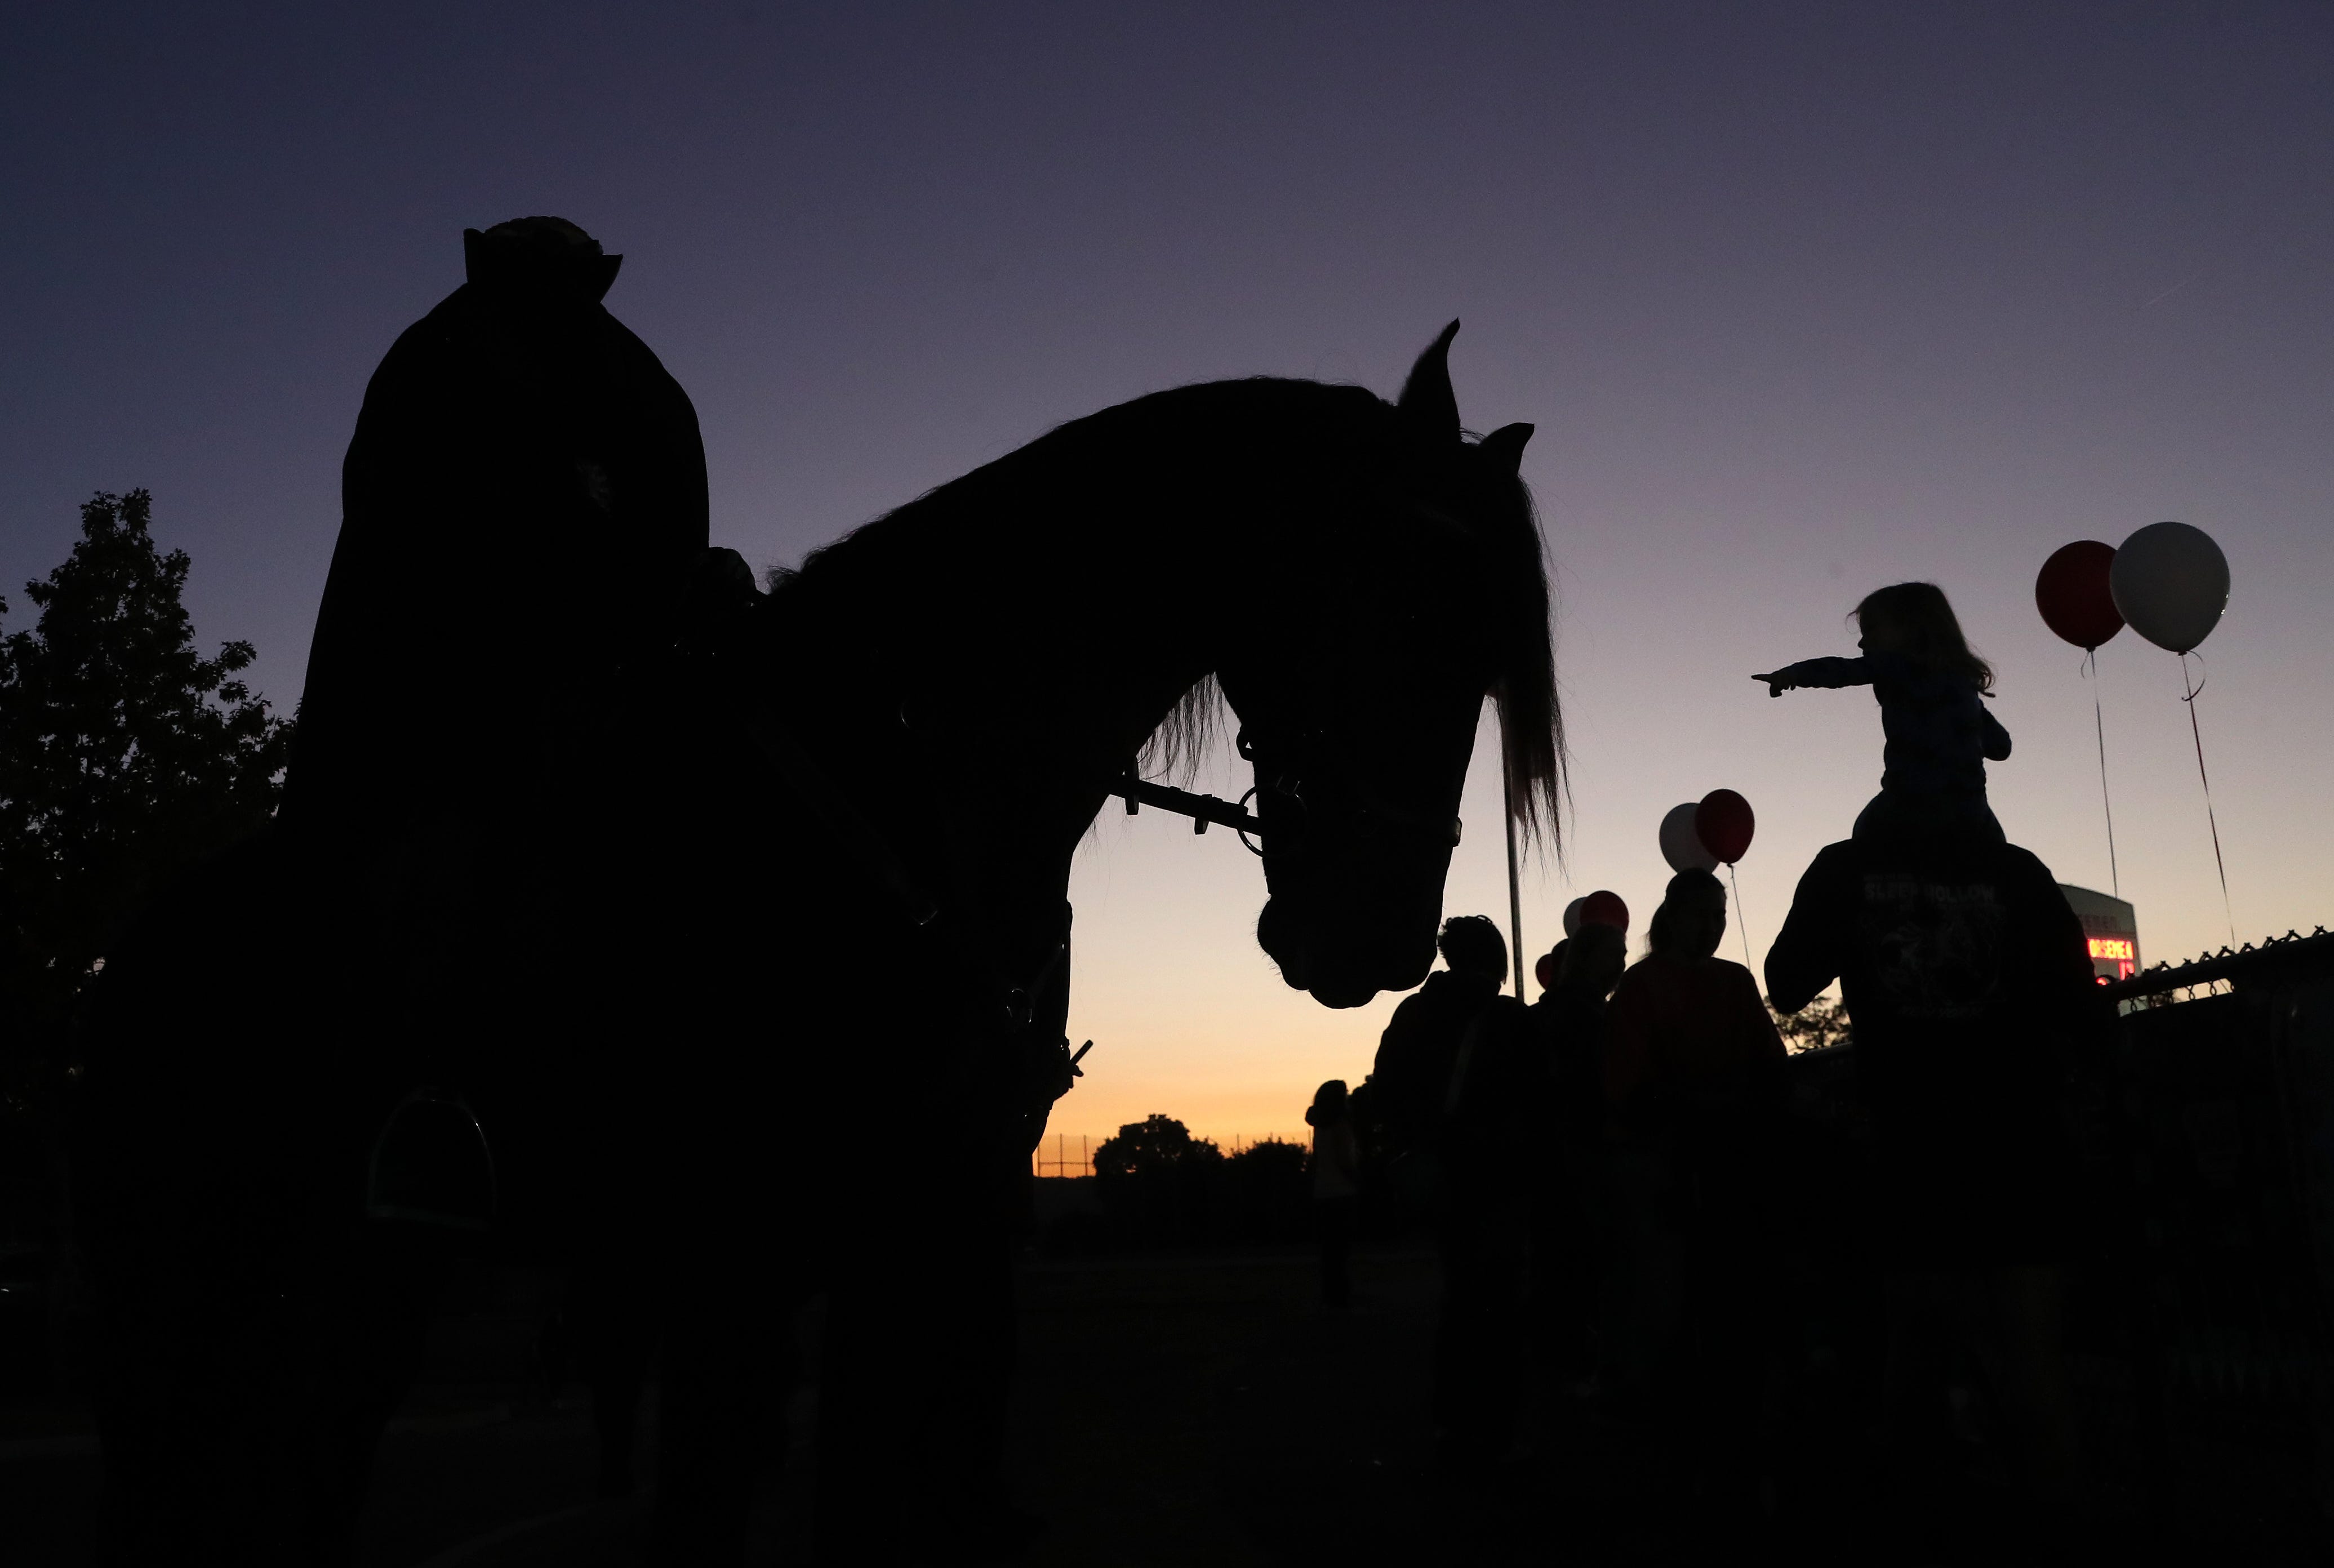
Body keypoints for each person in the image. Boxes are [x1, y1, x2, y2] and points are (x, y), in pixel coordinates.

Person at [1766, 829, 2102, 1547]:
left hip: (1913, 1146)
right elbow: (2084, 1010)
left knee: (1918, 1345)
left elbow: (1788, 980)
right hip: (2018, 1144)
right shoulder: (2015, 871)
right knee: (2025, 1352)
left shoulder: (1849, 867)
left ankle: (1922, 1522)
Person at [1603, 870, 1787, 1531]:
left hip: (1727, 1167)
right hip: (1670, 1169)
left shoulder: (1732, 982)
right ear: (1673, 915)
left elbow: (1770, 1065)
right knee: (1675, 1315)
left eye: (1720, 913)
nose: (1713, 925)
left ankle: (1721, 1455)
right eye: (1703, 913)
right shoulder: (1644, 987)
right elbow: (1631, 1085)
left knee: (1728, 1312)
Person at [1372, 914, 1530, 1465]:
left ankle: (1451, 1421)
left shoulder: (1412, 1012)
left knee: (1461, 1295)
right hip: (1502, 1178)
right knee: (1501, 1304)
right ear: (1497, 960)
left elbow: (1385, 1089)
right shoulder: (1510, 1018)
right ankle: (1496, 1426)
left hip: (1439, 1174)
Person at [1753, 581, 2011, 846]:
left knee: (1865, 836)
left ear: (1912, 628)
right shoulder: (1964, 687)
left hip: (1908, 801)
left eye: (1872, 630)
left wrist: (1793, 674)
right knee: (1997, 855)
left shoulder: (1898, 664)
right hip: (1970, 809)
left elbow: (1841, 670)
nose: (1863, 643)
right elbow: (2001, 747)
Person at [1524, 921, 1629, 1393]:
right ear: (1587, 959)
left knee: (1559, 1273)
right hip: (1580, 1159)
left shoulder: (1549, 1013)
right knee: (1579, 1270)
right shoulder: (1587, 1016)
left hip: (1550, 1163)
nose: (1621, 963)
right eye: (1613, 953)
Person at [1305, 1080, 1362, 1310]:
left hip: (1323, 1192)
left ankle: (1331, 1296)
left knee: (1330, 1250)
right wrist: (1358, 1180)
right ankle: (1340, 1297)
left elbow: (1318, 1159)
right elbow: (1344, 1160)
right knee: (1340, 1250)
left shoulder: (1320, 1126)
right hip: (1343, 1193)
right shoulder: (1340, 1126)